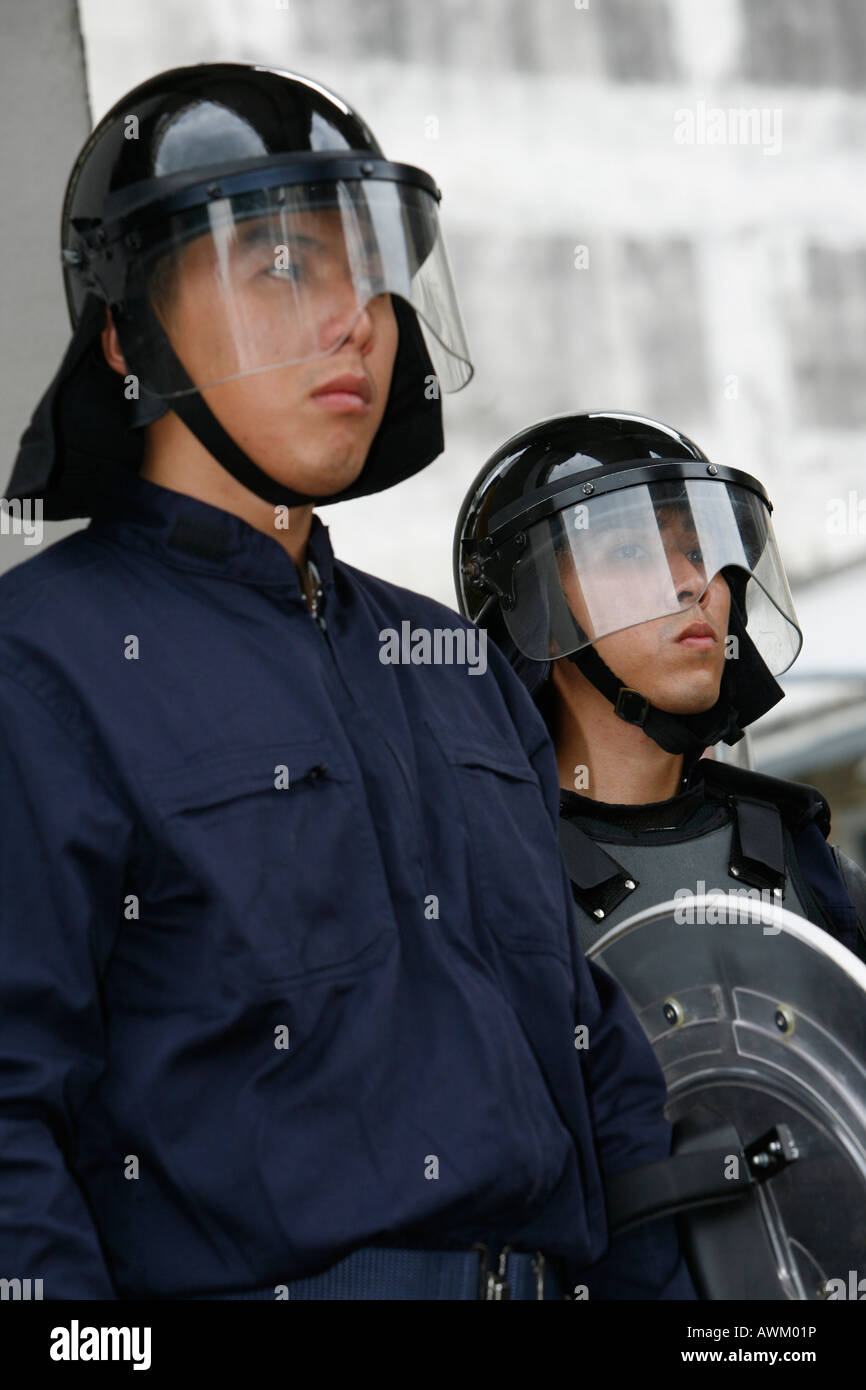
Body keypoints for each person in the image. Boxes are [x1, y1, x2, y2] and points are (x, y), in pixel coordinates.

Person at [0, 66, 693, 1301]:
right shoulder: (40, 666)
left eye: (368, 271)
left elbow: (595, 1071)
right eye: (281, 265)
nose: (355, 320)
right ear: (126, 332)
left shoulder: (453, 666)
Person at [454, 410, 866, 957]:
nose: (694, 582)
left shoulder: (814, 870)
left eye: (698, 552)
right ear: (538, 613)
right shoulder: (469, 882)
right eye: (630, 551)